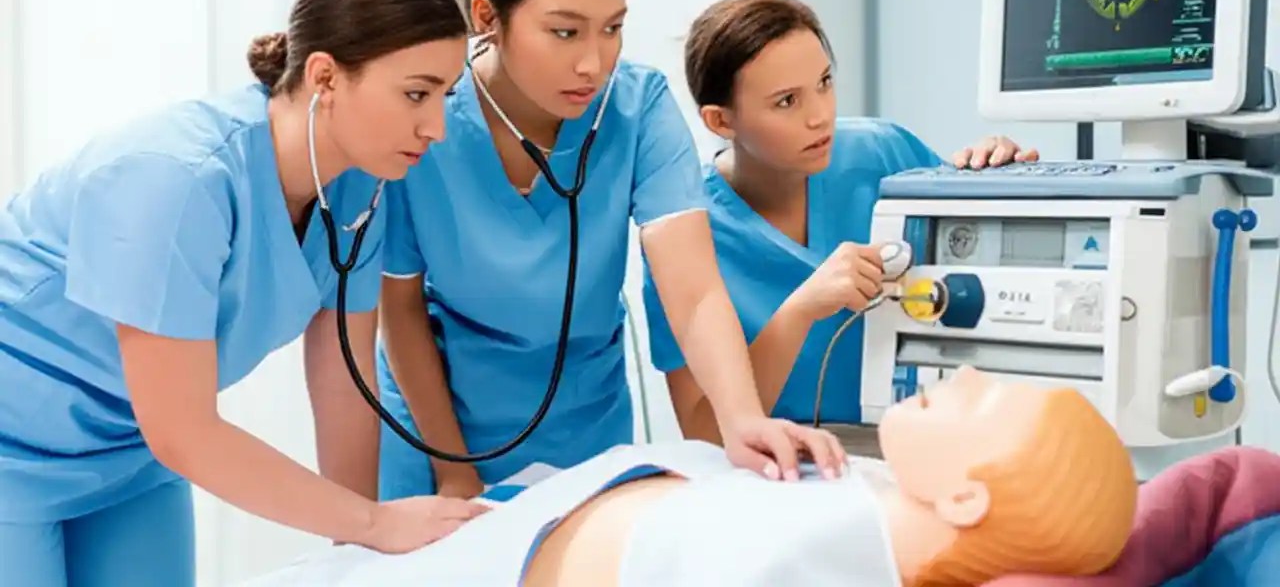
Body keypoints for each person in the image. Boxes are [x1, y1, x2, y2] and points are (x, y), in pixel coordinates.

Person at [0, 0, 488, 587]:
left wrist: (359, 554)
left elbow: (344, 381)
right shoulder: (177, 180)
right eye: (415, 94)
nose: (436, 128)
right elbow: (183, 429)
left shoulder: (358, 190)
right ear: (324, 78)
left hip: (128, 454)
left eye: (444, 96)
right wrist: (377, 524)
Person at [376, 0, 844, 504]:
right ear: (487, 16)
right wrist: (453, 469)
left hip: (583, 420)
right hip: (437, 425)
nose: (593, 64)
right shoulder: (427, 114)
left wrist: (742, 420)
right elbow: (401, 309)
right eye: (564, 32)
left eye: (613, 28)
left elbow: (693, 288)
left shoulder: (637, 108)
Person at [242, 366, 1138, 587]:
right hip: (516, 517)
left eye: (987, 402)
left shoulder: (829, 555)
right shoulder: (877, 492)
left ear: (968, 499)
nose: (970, 377)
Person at [642, 0, 1041, 435]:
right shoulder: (686, 230)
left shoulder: (882, 152)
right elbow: (704, 432)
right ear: (721, 122)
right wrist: (800, 311)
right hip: (787, 471)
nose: (820, 116)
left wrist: (1000, 176)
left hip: (923, 446)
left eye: (825, 82)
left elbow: (993, 268)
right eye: (787, 101)